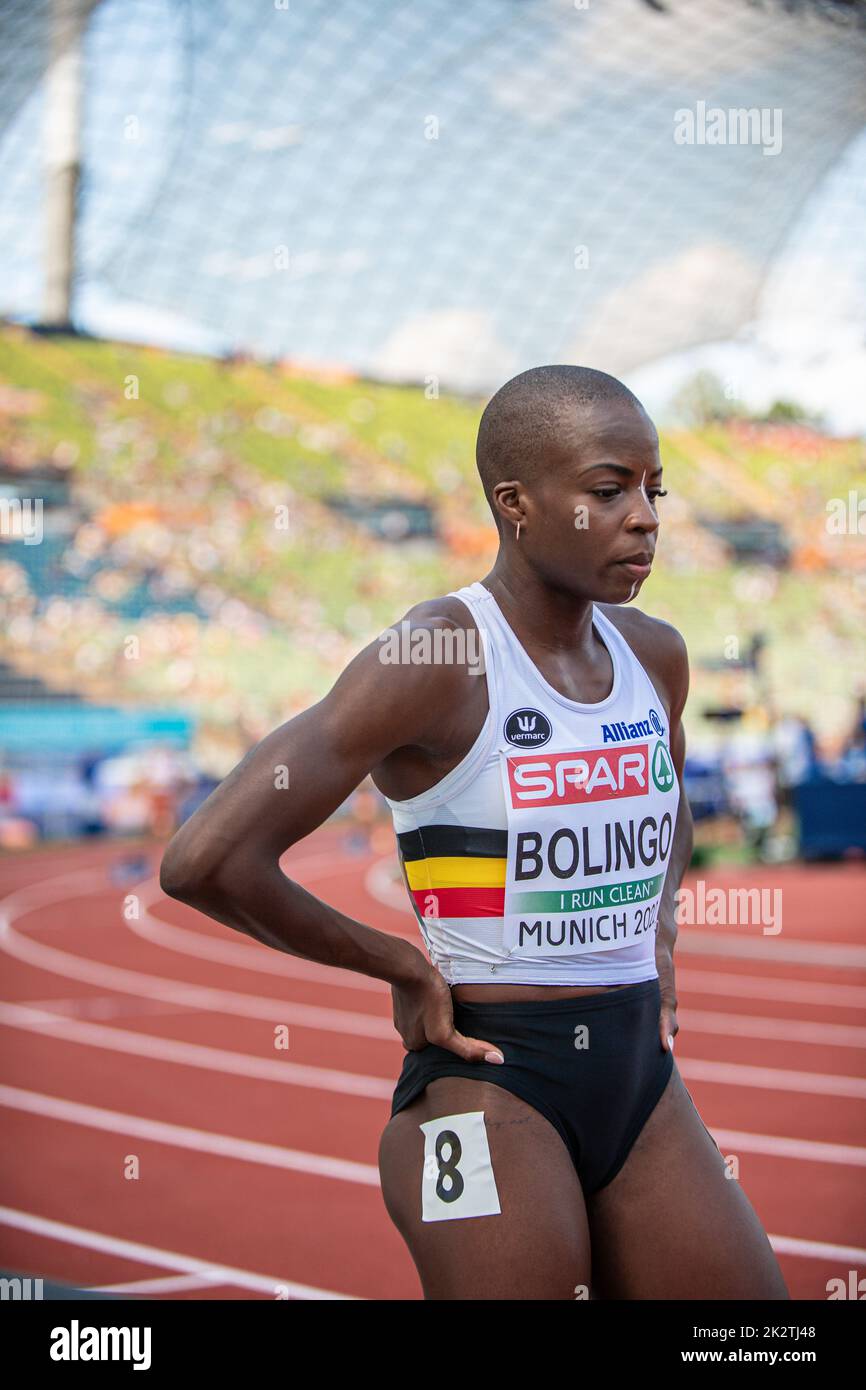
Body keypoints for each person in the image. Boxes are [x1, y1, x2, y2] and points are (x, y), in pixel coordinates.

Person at [160, 365, 789, 1301]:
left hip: (638, 1076)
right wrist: (401, 966)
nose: (648, 516)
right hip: (493, 1078)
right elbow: (206, 858)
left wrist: (659, 943)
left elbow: (673, 808)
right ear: (516, 504)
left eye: (655, 490)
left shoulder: (654, 655)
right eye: (610, 490)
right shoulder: (439, 654)